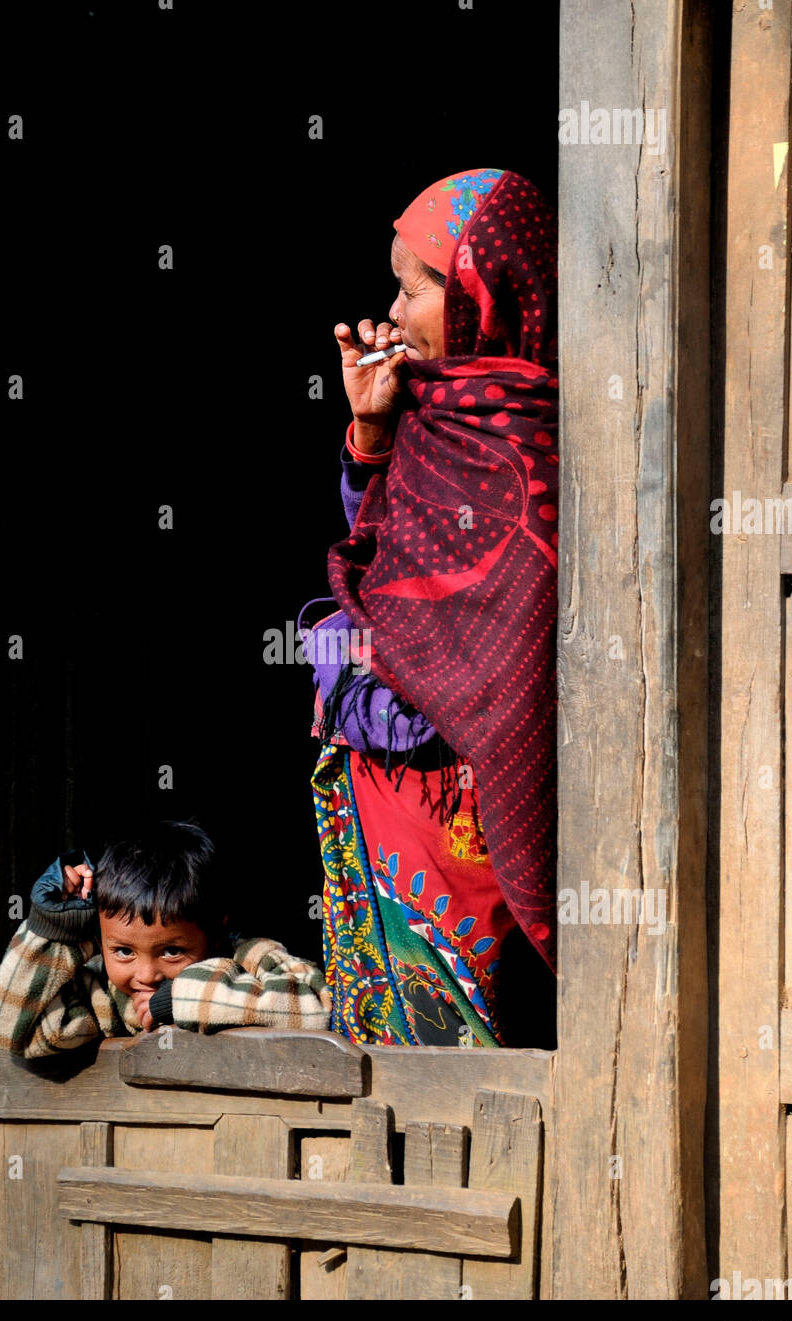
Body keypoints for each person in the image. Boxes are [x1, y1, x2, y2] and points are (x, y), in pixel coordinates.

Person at [306, 167, 559, 1050]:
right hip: (377, 777)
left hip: (470, 795)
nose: (394, 309)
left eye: (414, 287)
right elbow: (385, 563)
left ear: (484, 293)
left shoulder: (535, 432)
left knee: (467, 1037)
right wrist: (370, 433)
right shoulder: (427, 409)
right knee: (381, 1036)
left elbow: (506, 630)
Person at [0, 820, 330, 1058]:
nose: (146, 974)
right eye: (124, 951)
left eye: (172, 951)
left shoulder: (254, 957)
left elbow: (319, 1006)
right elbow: (2, 1030)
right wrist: (53, 930)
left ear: (217, 932)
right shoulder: (108, 997)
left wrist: (182, 1000)